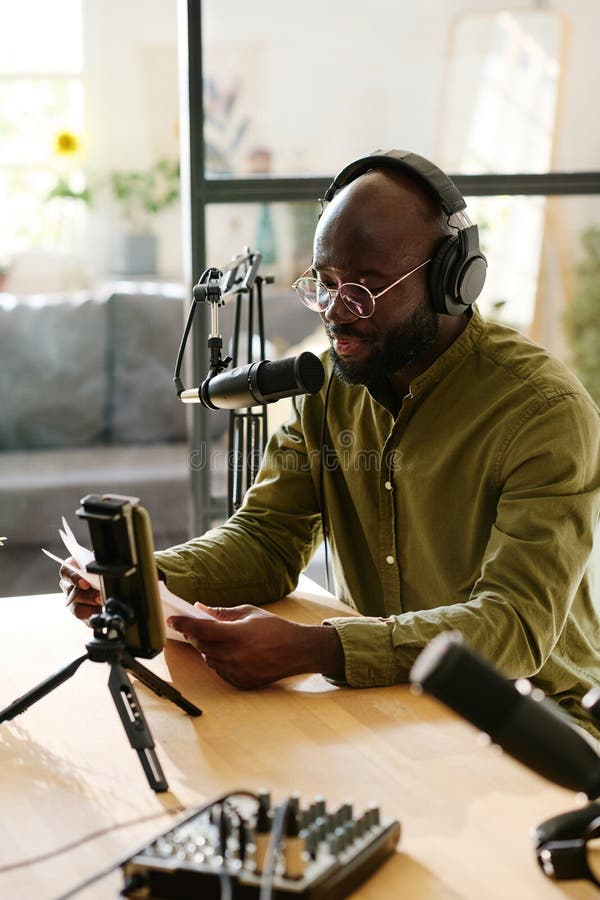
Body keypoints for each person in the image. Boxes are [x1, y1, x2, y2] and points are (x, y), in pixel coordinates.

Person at [61, 149, 600, 736]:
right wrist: (144, 578)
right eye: (324, 284)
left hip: (533, 721)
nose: (336, 314)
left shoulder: (545, 413)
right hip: (389, 706)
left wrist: (319, 649)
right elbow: (267, 540)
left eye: (364, 289)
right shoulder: (328, 385)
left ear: (452, 280)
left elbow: (514, 627)